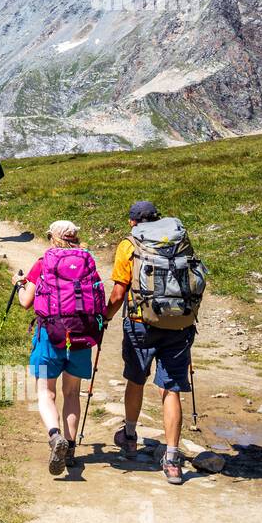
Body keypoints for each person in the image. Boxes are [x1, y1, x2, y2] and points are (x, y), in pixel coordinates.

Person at [103, 201, 195, 485]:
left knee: (136, 379)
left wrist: (104, 317)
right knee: (171, 389)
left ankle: (130, 436)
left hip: (141, 323)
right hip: (179, 323)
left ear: (133, 222)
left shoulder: (129, 244)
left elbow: (119, 293)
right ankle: (171, 458)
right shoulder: (179, 238)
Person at [18, 221, 106, 474]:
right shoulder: (88, 261)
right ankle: (69, 447)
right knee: (72, 393)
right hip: (81, 335)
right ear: (75, 238)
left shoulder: (43, 262)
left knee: (46, 392)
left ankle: (55, 436)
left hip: (51, 335)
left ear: (51, 238)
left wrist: (20, 283)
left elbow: (26, 302)